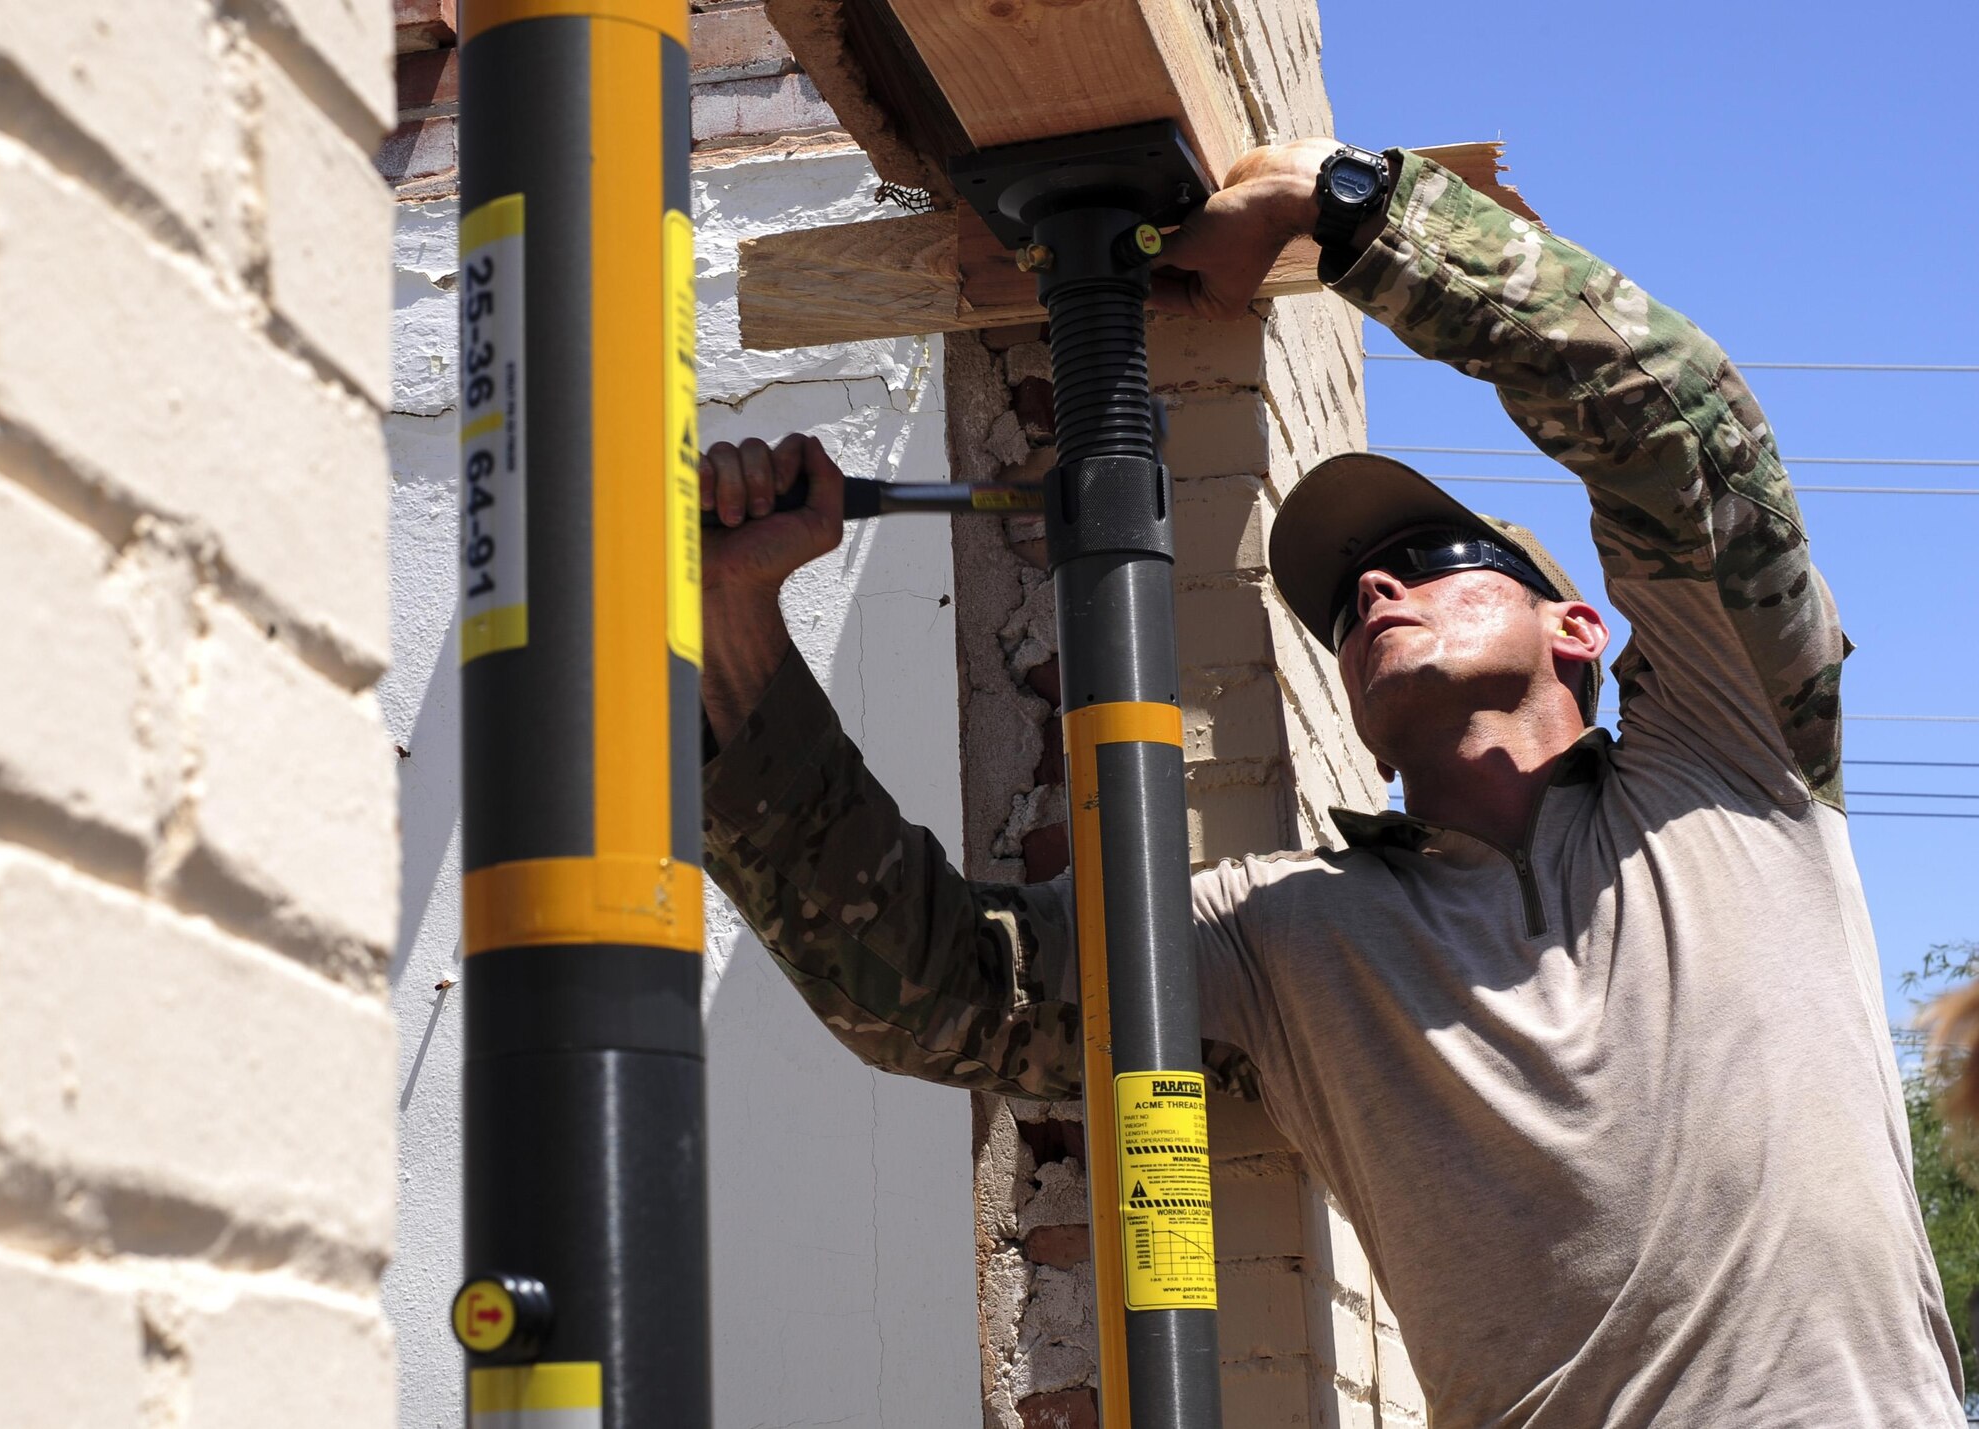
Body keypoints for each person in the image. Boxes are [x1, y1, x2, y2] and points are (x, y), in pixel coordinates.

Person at [696, 138, 1966, 1426]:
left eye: (1437, 556)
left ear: (1578, 628)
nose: (1375, 589)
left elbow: (1679, 431)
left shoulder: (1734, 763)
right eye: (1350, 600)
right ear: (1356, 721)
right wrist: (737, 630)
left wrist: (1347, 208)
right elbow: (938, 988)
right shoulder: (1291, 937)